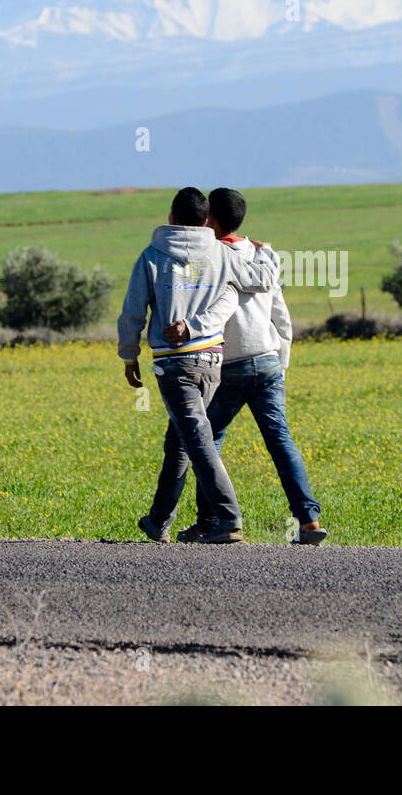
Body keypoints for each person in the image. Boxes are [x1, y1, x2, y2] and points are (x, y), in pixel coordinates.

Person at [155, 188, 327, 546]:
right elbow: (281, 313)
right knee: (281, 441)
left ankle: (214, 523)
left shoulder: (214, 257)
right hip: (267, 361)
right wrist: (282, 363)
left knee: (207, 442)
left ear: (211, 221)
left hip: (229, 365)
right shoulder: (259, 255)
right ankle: (308, 520)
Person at [117, 187, 279, 544]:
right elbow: (262, 280)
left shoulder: (152, 255)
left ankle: (228, 518)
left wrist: (128, 355)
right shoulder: (223, 253)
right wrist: (265, 252)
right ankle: (158, 521)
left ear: (172, 217)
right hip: (212, 363)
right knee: (180, 440)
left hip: (174, 366)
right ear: (206, 221)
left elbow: (133, 311)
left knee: (198, 440)